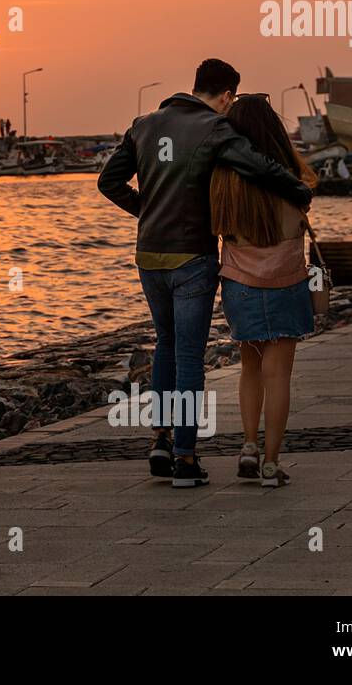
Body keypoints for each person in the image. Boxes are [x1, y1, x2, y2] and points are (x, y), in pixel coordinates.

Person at [98, 59, 311, 488]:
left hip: (149, 256)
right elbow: (257, 166)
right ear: (228, 95)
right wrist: (298, 189)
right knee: (189, 355)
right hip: (192, 257)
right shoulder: (214, 129)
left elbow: (109, 182)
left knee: (165, 344)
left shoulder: (142, 124)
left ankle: (160, 436)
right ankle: (186, 457)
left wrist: (147, 210)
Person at [211, 94, 319, 488]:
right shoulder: (291, 178)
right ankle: (271, 463)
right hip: (286, 284)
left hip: (239, 285)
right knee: (279, 377)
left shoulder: (223, 179)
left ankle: (249, 445)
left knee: (250, 369)